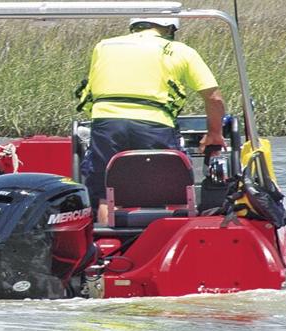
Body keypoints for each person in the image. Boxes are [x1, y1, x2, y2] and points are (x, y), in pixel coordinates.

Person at [75, 15, 227, 225]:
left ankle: (107, 241)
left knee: (105, 191)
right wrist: (214, 134)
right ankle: (172, 236)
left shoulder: (103, 47)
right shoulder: (181, 50)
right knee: (173, 188)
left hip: (107, 123)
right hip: (155, 124)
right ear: (170, 28)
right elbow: (214, 98)